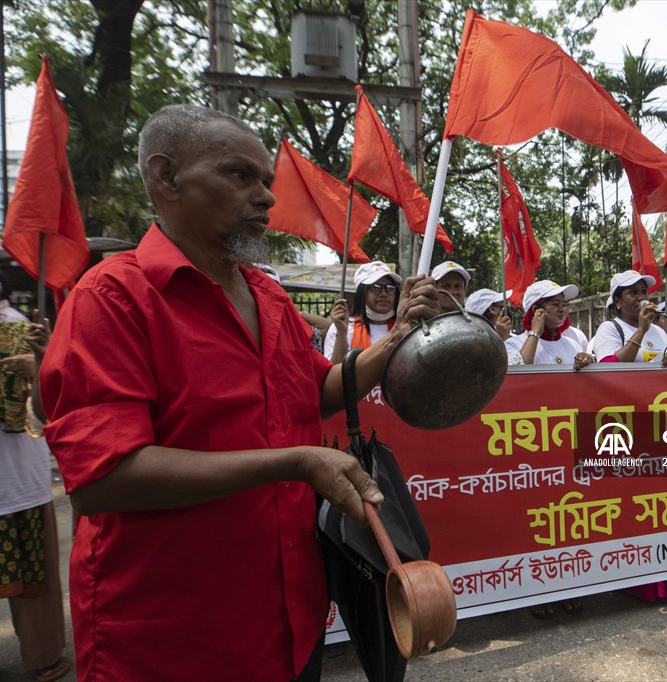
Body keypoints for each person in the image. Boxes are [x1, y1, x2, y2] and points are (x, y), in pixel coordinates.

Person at [37, 104, 440, 680]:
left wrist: (397, 338)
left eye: (267, 181)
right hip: (174, 640)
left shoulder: (268, 297)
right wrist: (296, 462)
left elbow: (320, 391)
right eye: (238, 175)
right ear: (166, 177)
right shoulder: (110, 300)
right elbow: (103, 479)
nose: (266, 198)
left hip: (290, 624)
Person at [0, 269, 69, 682]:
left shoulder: (25, 337)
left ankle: (43, 656)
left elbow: (52, 410)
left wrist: (40, 363)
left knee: (35, 583)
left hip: (18, 485)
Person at [590, 270, 667, 365]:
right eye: (633, 293)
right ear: (618, 302)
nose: (641, 297)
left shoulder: (659, 331)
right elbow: (607, 367)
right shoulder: (609, 328)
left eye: (644, 292)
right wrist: (641, 331)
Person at [323, 260, 402, 364]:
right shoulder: (342, 328)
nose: (384, 294)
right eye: (376, 288)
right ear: (362, 293)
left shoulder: (404, 327)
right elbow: (333, 375)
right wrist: (342, 333)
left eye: (390, 288)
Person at [505, 280, 594, 370]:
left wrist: (588, 362)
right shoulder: (514, 344)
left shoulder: (573, 344)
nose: (562, 309)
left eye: (563, 304)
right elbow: (517, 373)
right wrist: (535, 333)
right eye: (555, 304)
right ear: (536, 310)